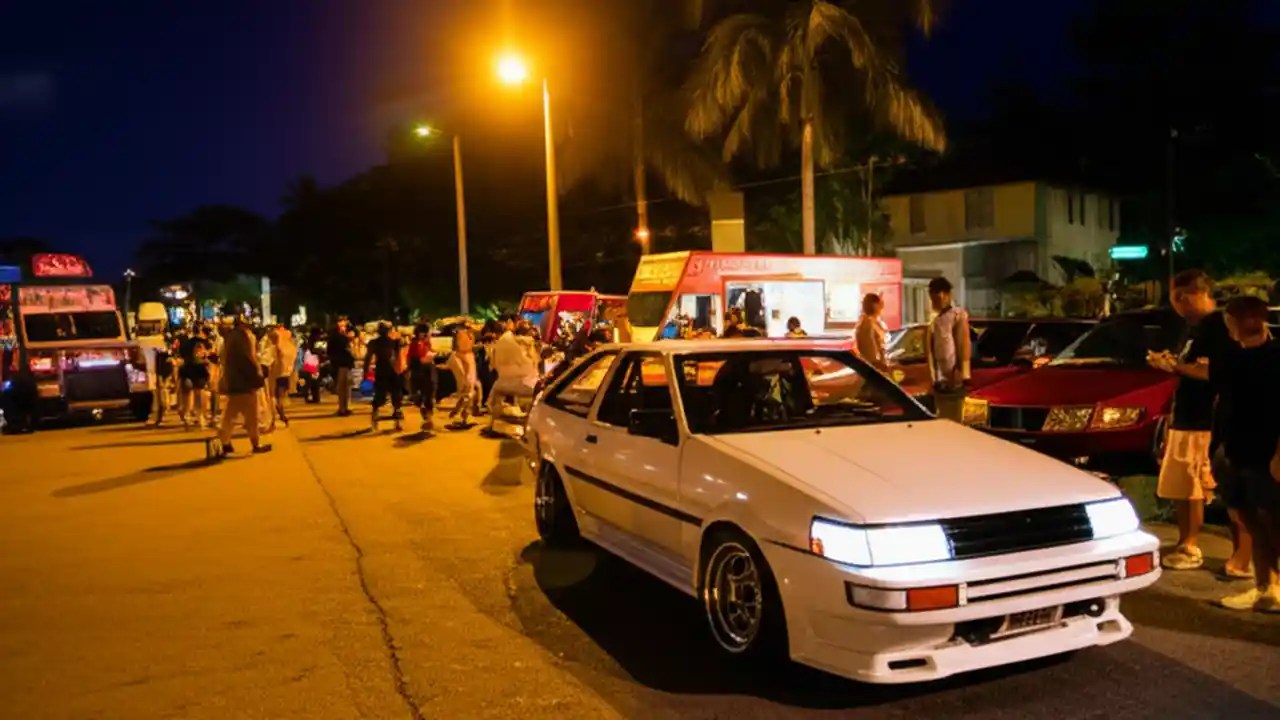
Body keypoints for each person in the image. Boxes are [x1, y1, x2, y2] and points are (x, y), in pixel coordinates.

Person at [1150, 270, 1236, 571]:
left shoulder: (1219, 327)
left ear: (1184, 296)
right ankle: (1184, 542)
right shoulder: (1193, 328)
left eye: (1176, 298)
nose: (1176, 305)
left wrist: (1176, 366)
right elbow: (1190, 368)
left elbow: (1213, 373)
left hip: (1203, 420)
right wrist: (1174, 366)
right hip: (1185, 417)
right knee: (1179, 486)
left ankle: (1191, 546)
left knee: (1193, 486)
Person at [1210, 296, 1280, 611]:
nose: (1230, 328)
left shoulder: (1276, 356)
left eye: (1232, 321)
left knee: (1273, 520)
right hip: (1233, 449)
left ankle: (1274, 586)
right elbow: (1223, 401)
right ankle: (1264, 586)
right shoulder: (1229, 356)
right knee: (1248, 518)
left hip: (1266, 451)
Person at [217, 316, 270, 455]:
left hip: (234, 381)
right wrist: (256, 376)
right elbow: (247, 359)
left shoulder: (230, 338)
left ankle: (225, 441)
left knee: (230, 414)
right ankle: (255, 444)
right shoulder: (241, 338)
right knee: (251, 415)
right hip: (244, 382)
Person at [924, 277, 971, 422]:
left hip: (953, 379)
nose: (933, 302)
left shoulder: (957, 316)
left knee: (953, 419)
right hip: (940, 381)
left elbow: (963, 345)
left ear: (943, 295)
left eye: (934, 298)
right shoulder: (936, 320)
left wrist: (961, 372)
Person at [487, 316, 539, 432]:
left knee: (497, 392)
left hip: (505, 383)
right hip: (525, 383)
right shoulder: (520, 346)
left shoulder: (503, 343)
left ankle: (494, 423)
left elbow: (493, 365)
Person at [364, 322, 406, 431]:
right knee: (394, 396)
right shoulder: (392, 342)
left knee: (382, 396)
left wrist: (365, 371)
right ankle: (395, 421)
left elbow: (368, 358)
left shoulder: (375, 343)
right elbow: (399, 358)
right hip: (390, 371)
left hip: (385, 371)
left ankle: (379, 418)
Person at [448, 322, 480, 427]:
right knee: (468, 390)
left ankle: (462, 413)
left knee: (472, 390)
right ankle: (463, 415)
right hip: (463, 359)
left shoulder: (468, 335)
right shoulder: (461, 334)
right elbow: (461, 349)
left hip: (467, 359)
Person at [407, 323, 436, 432]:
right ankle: (427, 415)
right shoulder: (416, 344)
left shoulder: (426, 342)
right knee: (420, 395)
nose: (430, 334)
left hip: (426, 370)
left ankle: (428, 418)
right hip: (419, 371)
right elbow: (414, 358)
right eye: (428, 332)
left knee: (428, 394)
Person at [267, 325, 296, 431]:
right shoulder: (290, 346)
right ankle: (280, 418)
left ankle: (278, 419)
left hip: (277, 374)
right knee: (279, 398)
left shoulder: (278, 347)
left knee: (275, 398)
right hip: (285, 374)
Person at [328, 317, 355, 417]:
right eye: (342, 322)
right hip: (341, 364)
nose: (344, 324)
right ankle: (342, 408)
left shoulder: (342, 335)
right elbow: (331, 350)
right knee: (343, 387)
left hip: (344, 364)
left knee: (346, 387)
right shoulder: (337, 336)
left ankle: (344, 407)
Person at [855, 292, 888, 372]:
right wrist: (881, 367)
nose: (882, 307)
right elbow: (870, 353)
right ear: (874, 305)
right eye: (880, 304)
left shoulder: (875, 322)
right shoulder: (866, 324)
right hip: (874, 369)